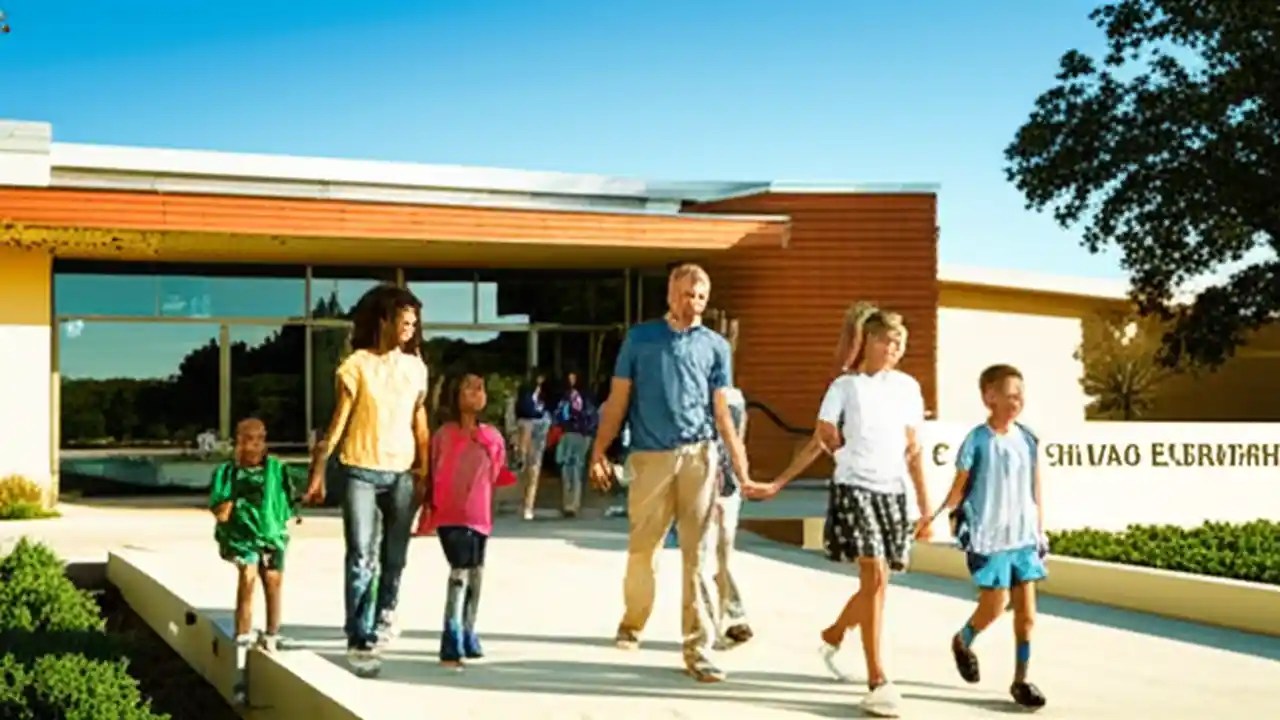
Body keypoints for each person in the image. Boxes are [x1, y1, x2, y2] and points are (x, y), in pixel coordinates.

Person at [588, 263, 762, 683]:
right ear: (670, 295)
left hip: (699, 457)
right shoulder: (640, 339)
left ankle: (697, 648)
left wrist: (741, 468)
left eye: (701, 296)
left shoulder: (716, 347)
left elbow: (722, 411)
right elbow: (618, 399)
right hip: (650, 459)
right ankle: (633, 622)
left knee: (697, 556)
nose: (694, 303)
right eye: (687, 294)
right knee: (642, 551)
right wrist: (599, 450)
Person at [754, 308, 932, 717]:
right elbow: (822, 436)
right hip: (854, 487)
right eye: (888, 340)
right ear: (868, 342)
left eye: (900, 342)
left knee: (880, 584)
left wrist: (925, 509)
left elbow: (914, 450)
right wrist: (781, 481)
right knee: (874, 575)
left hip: (893, 493)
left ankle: (834, 633)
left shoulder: (907, 388)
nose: (895, 348)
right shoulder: (845, 387)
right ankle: (878, 681)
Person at [302, 284, 430, 678]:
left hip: (402, 474)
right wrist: (319, 472)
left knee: (395, 557)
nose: (409, 328)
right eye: (402, 321)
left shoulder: (416, 368)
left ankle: (385, 613)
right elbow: (338, 422)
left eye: (414, 323)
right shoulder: (356, 365)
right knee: (361, 555)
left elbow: (419, 421)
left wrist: (427, 471)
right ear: (384, 320)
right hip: (359, 470)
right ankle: (359, 636)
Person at [929, 364, 1048, 709]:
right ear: (989, 397)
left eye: (1020, 395)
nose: (1016, 402)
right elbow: (959, 488)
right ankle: (963, 641)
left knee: (1027, 614)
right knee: (995, 605)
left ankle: (1021, 679)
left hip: (1023, 537)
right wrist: (935, 518)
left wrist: (1041, 528)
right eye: (1009, 395)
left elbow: (1035, 486)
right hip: (989, 538)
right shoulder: (977, 441)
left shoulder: (1027, 438)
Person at [209, 417, 304, 706]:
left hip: (271, 536)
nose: (254, 445)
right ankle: (241, 644)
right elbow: (221, 512)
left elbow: (295, 499)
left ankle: (272, 633)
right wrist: (234, 500)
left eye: (260, 439)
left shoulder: (277, 470)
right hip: (242, 537)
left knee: (273, 582)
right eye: (248, 439)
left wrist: (321, 462)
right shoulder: (227, 473)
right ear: (238, 441)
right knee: (247, 580)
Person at [428, 369, 517, 669]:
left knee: (476, 574)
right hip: (450, 515)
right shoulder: (443, 435)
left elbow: (499, 474)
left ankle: (468, 631)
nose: (477, 392)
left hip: (479, 517)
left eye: (481, 388)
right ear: (455, 395)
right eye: (469, 387)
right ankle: (450, 640)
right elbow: (430, 473)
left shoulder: (492, 436)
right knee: (460, 573)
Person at [554, 370, 596, 518]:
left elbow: (588, 416)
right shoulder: (566, 397)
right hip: (568, 433)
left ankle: (574, 504)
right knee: (567, 469)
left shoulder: (583, 397)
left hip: (579, 434)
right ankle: (567, 503)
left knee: (575, 469)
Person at [515, 370, 552, 520]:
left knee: (533, 472)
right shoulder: (526, 396)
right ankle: (525, 505)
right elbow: (525, 412)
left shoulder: (542, 398)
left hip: (537, 434)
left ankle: (528, 505)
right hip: (529, 430)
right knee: (528, 471)